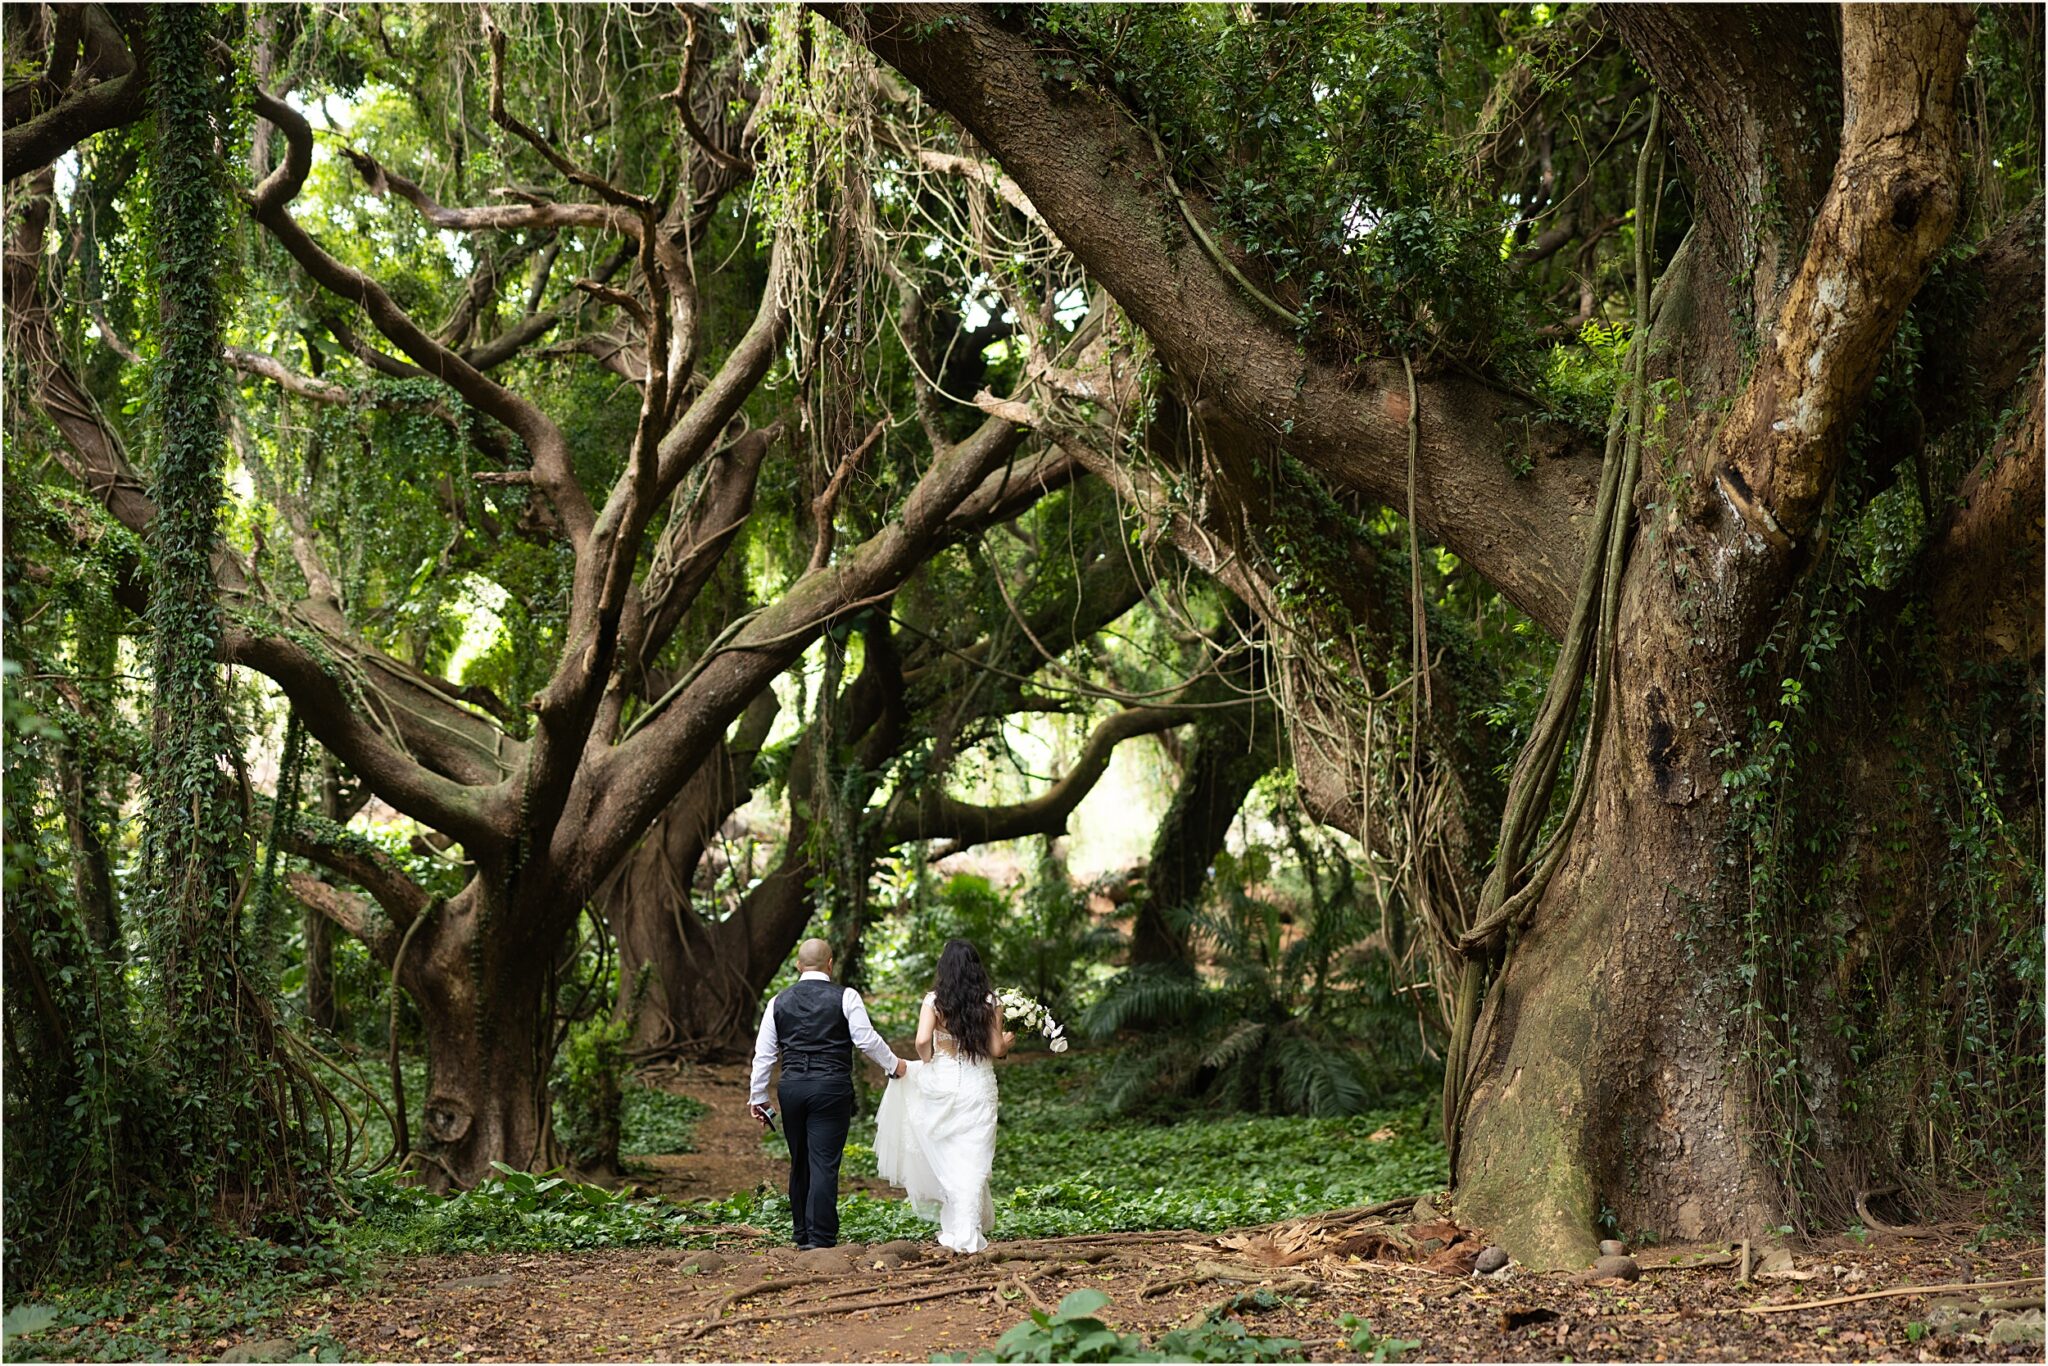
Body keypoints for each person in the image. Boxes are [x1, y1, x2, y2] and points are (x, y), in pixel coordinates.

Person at [747, 938, 907, 1250]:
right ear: (830, 964)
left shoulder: (777, 1002)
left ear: (798, 965)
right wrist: (894, 1065)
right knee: (823, 1161)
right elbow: (865, 1039)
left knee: (801, 1160)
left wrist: (758, 1097)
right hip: (831, 1087)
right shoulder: (846, 997)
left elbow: (764, 1055)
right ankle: (819, 1239)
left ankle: (801, 1233)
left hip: (792, 1087)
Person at [872, 938, 1013, 1253]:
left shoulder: (934, 1001)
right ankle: (967, 1231)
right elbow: (994, 1049)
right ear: (976, 968)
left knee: (949, 1156)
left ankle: (959, 1230)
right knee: (975, 1158)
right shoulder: (991, 1001)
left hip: (944, 1081)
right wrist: (1006, 1041)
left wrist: (929, 1061)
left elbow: (923, 1040)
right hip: (978, 1085)